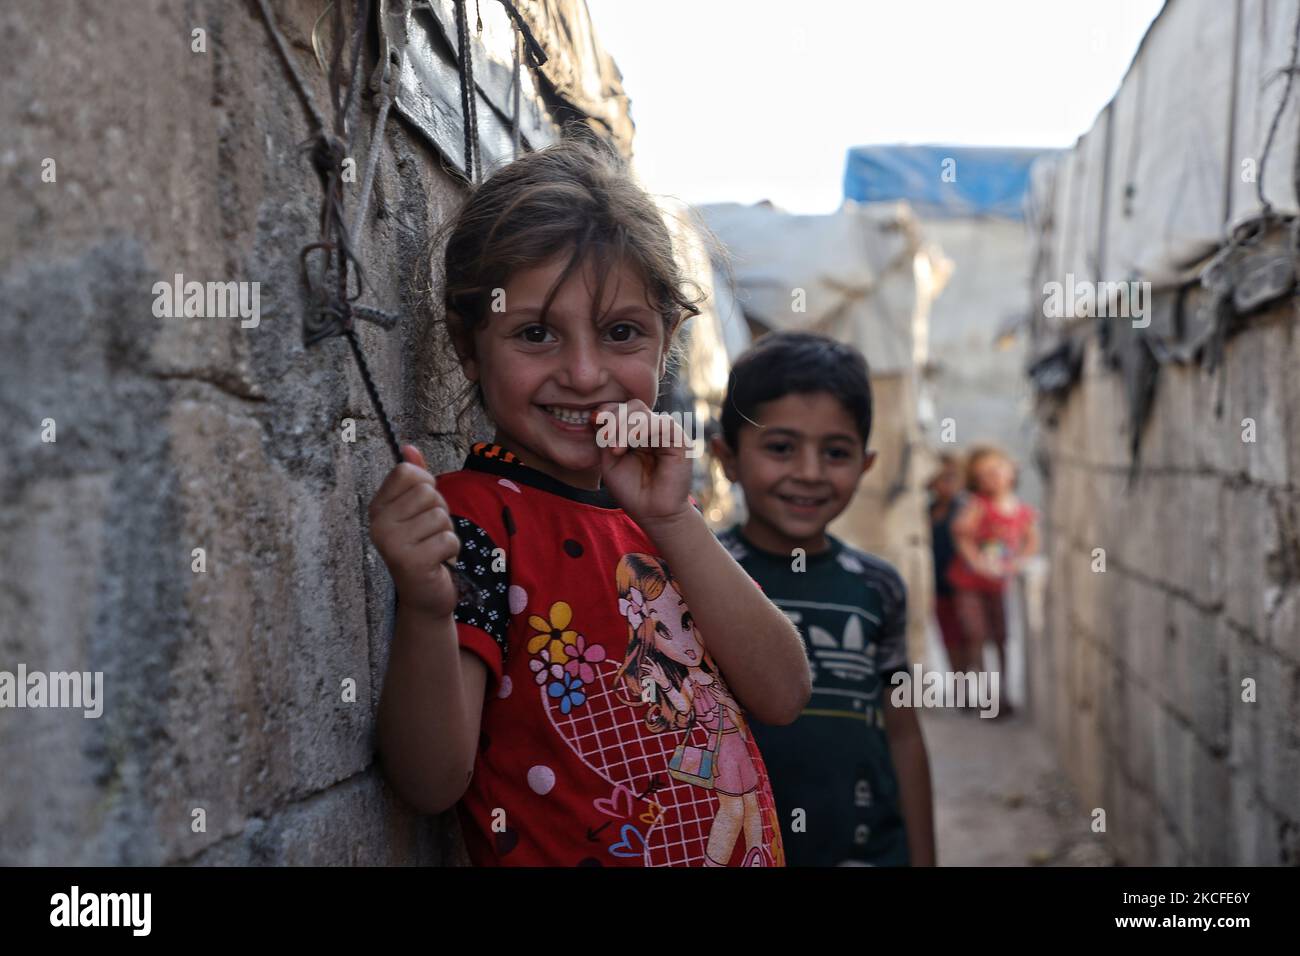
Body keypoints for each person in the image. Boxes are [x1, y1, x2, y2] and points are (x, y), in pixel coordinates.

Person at [367, 136, 810, 866]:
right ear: (469, 347)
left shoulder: (654, 512)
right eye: (535, 333)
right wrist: (425, 604)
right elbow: (430, 779)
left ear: (668, 337)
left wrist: (672, 520)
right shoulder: (475, 521)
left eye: (621, 333)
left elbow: (784, 691)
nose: (582, 372)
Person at [710, 331, 936, 866]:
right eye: (781, 447)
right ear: (728, 458)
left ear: (865, 464)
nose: (810, 473)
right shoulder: (700, 577)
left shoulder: (877, 587)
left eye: (835, 452)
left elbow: (902, 733)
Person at [947, 445, 1040, 717]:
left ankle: (1002, 694)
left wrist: (1017, 562)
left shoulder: (1022, 511)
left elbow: (1032, 541)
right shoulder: (978, 506)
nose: (994, 477)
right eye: (985, 474)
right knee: (976, 636)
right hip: (970, 584)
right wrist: (976, 562)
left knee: (1001, 638)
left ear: (1012, 471)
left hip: (998, 584)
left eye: (998, 470)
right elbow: (961, 533)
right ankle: (986, 696)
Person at [927, 454, 971, 675]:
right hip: (937, 584)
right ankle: (958, 684)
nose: (946, 483)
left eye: (951, 477)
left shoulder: (965, 509)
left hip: (963, 584)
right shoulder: (926, 511)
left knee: (968, 636)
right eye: (941, 477)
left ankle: (970, 685)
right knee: (949, 637)